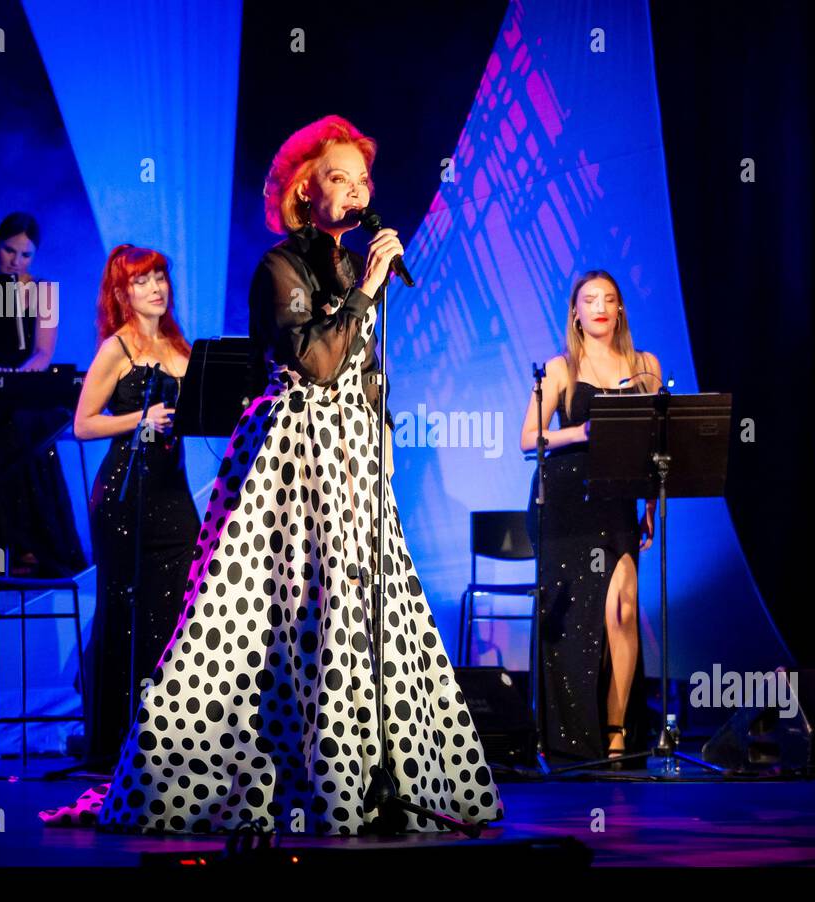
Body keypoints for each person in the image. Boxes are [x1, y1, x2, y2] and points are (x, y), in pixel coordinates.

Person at [41, 115, 503, 835]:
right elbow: (316, 365)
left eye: (362, 179)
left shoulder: (353, 269)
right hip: (290, 458)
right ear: (304, 192)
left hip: (352, 460)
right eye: (339, 178)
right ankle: (265, 772)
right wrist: (368, 289)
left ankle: (367, 768)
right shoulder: (279, 268)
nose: (357, 190)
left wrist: (377, 426)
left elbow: (361, 369)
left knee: (359, 611)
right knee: (274, 612)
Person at [519, 270, 661, 762]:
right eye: (589, 300)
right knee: (579, 619)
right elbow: (528, 440)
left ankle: (618, 732)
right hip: (566, 500)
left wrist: (651, 507)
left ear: (620, 309)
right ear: (575, 313)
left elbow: (654, 443)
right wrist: (582, 432)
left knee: (623, 610)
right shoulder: (562, 367)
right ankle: (573, 738)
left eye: (609, 299)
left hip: (618, 496)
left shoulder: (645, 365)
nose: (600, 306)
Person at [71, 244, 200, 763]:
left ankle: (169, 740)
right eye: (143, 281)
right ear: (122, 292)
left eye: (161, 278)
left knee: (177, 612)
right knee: (126, 611)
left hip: (173, 494)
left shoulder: (181, 347)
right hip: (126, 495)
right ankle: (114, 744)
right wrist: (137, 421)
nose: (156, 288)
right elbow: (83, 424)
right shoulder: (115, 350)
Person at [0, 212, 86, 578]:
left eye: (26, 255)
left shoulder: (44, 292)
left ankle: (28, 550)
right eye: (10, 251)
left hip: (24, 391)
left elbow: (43, 353)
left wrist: (17, 381)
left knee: (22, 437)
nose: (16, 261)